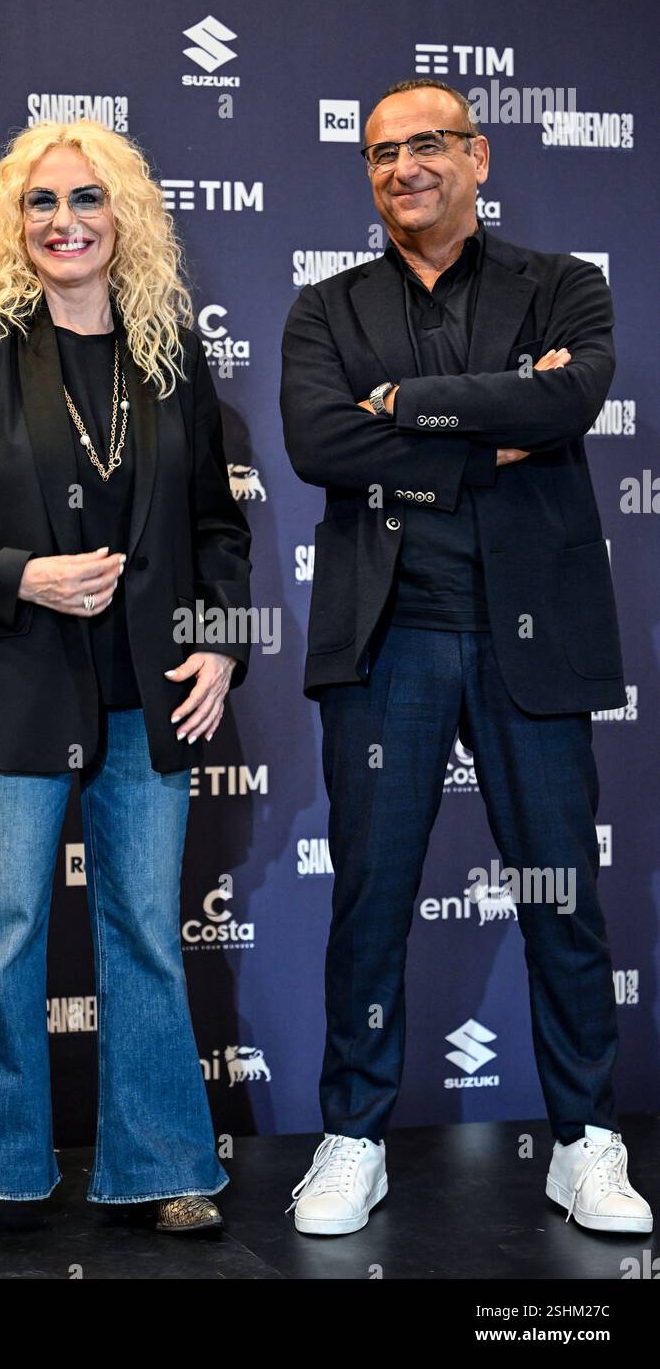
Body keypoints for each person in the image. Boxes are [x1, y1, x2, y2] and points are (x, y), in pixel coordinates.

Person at [279, 78, 652, 1237]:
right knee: (371, 898)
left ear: (477, 157)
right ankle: (353, 1138)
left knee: (559, 892)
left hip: (528, 640)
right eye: (381, 153)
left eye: (426, 145)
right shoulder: (324, 309)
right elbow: (316, 441)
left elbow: (568, 402)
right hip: (388, 639)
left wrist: (405, 407)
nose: (403, 168)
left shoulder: (564, 287)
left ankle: (583, 1140)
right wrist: (477, 433)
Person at [0, 117, 252, 1241]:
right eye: (42, 203)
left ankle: (161, 1167)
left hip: (151, 690)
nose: (64, 222)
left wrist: (221, 639)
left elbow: (217, 528)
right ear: (13, 222)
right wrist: (22, 574)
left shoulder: (170, 351)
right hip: (12, 685)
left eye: (85, 200)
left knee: (144, 927)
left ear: (122, 215)